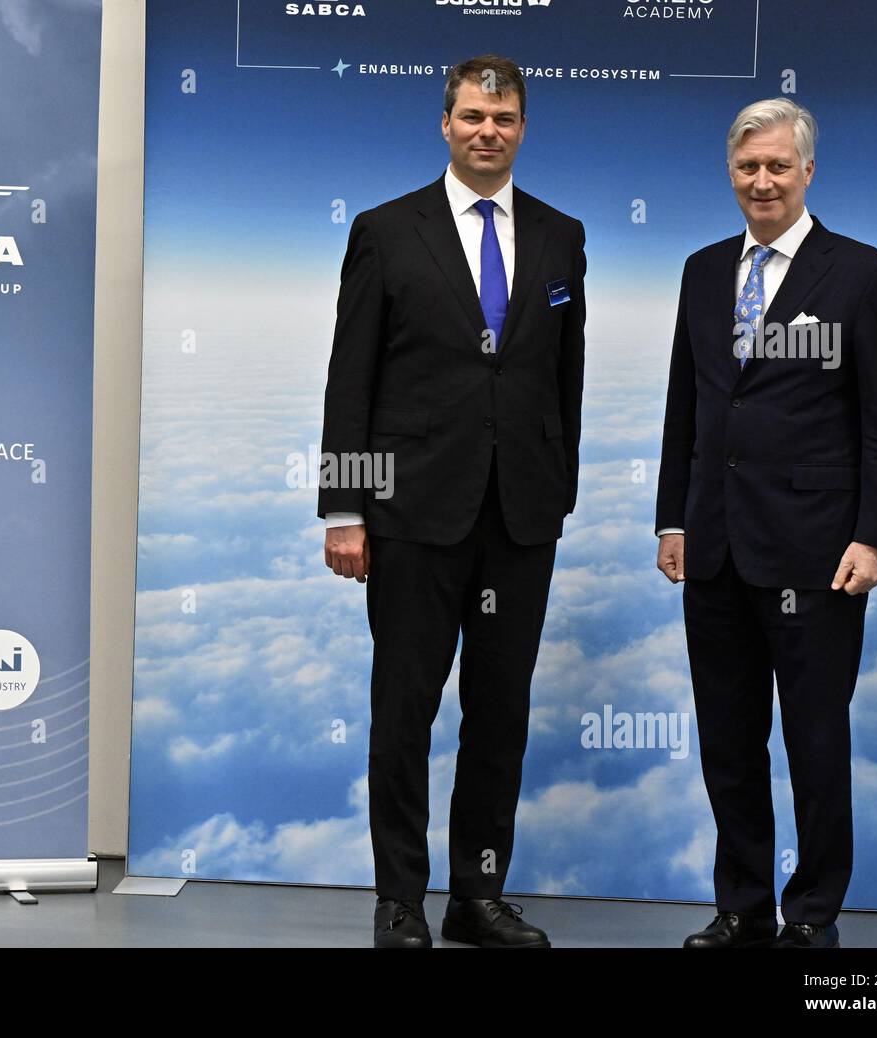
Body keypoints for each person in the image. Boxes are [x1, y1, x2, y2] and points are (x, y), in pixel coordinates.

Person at [317, 54, 585, 949]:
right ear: (446, 122)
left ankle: (477, 897)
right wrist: (345, 508)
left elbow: (562, 378)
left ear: (522, 127)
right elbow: (350, 376)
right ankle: (400, 900)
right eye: (473, 116)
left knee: (500, 711)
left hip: (520, 518)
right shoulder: (386, 231)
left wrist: (560, 487)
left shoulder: (561, 236)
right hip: (410, 516)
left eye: (504, 119)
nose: (487, 131)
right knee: (404, 711)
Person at [655, 98, 877, 949]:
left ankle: (811, 915)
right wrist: (672, 520)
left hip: (818, 553)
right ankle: (741, 907)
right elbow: (685, 410)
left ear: (807, 172)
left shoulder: (863, 275)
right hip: (716, 547)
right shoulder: (700, 270)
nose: (761, 181)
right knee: (728, 741)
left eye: (776, 166)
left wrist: (875, 536)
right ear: (730, 175)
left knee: (813, 743)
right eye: (746, 167)